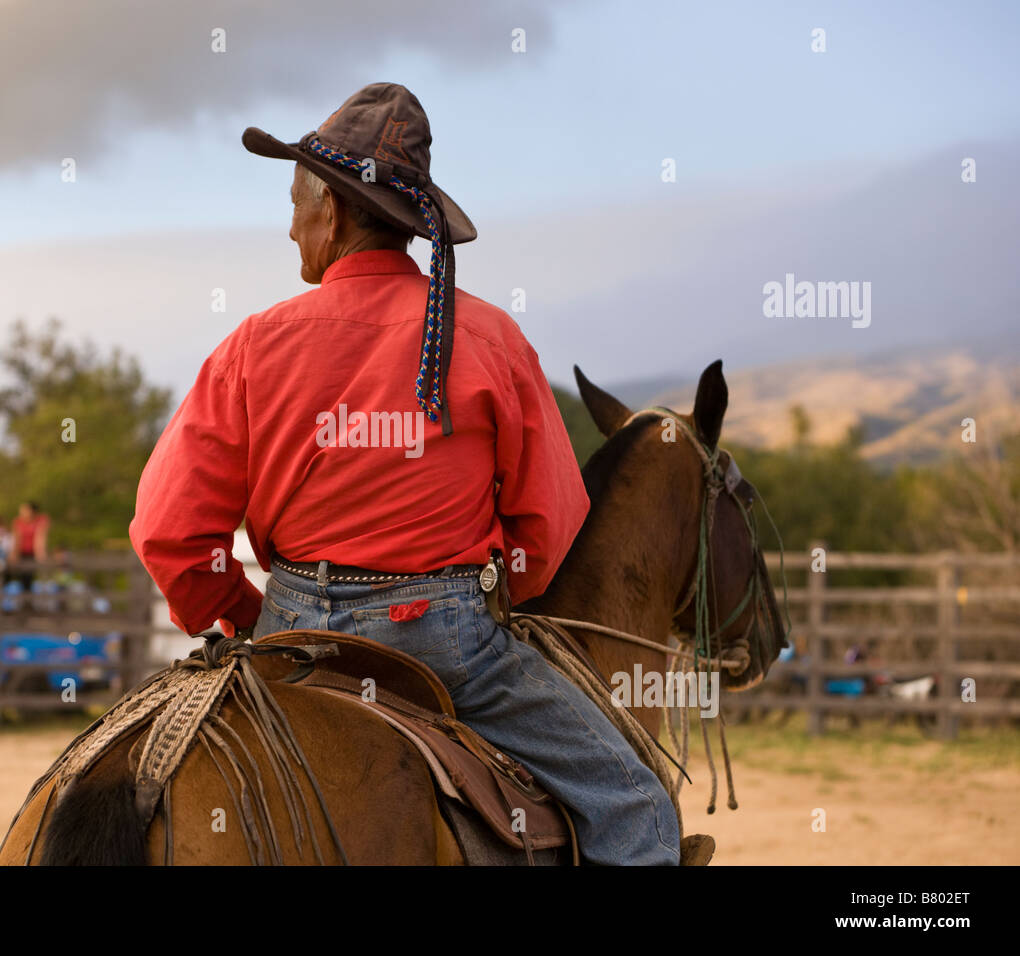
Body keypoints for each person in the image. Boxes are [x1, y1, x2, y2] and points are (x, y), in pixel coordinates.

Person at [129, 84, 687, 865]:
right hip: (448, 641)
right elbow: (550, 519)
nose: (288, 225)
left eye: (296, 200)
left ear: (335, 208)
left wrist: (245, 613)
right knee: (638, 805)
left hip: (291, 633)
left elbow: (169, 531)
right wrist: (497, 597)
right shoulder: (489, 337)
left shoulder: (252, 346)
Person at [10, 501, 50, 591]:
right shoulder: (18, 521)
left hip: (34, 552)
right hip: (22, 552)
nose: (22, 513)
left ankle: (32, 599)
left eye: (24, 510)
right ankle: (24, 599)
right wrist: (14, 554)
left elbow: (40, 537)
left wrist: (40, 554)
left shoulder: (41, 520)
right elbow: (16, 539)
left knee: (34, 576)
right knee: (23, 577)